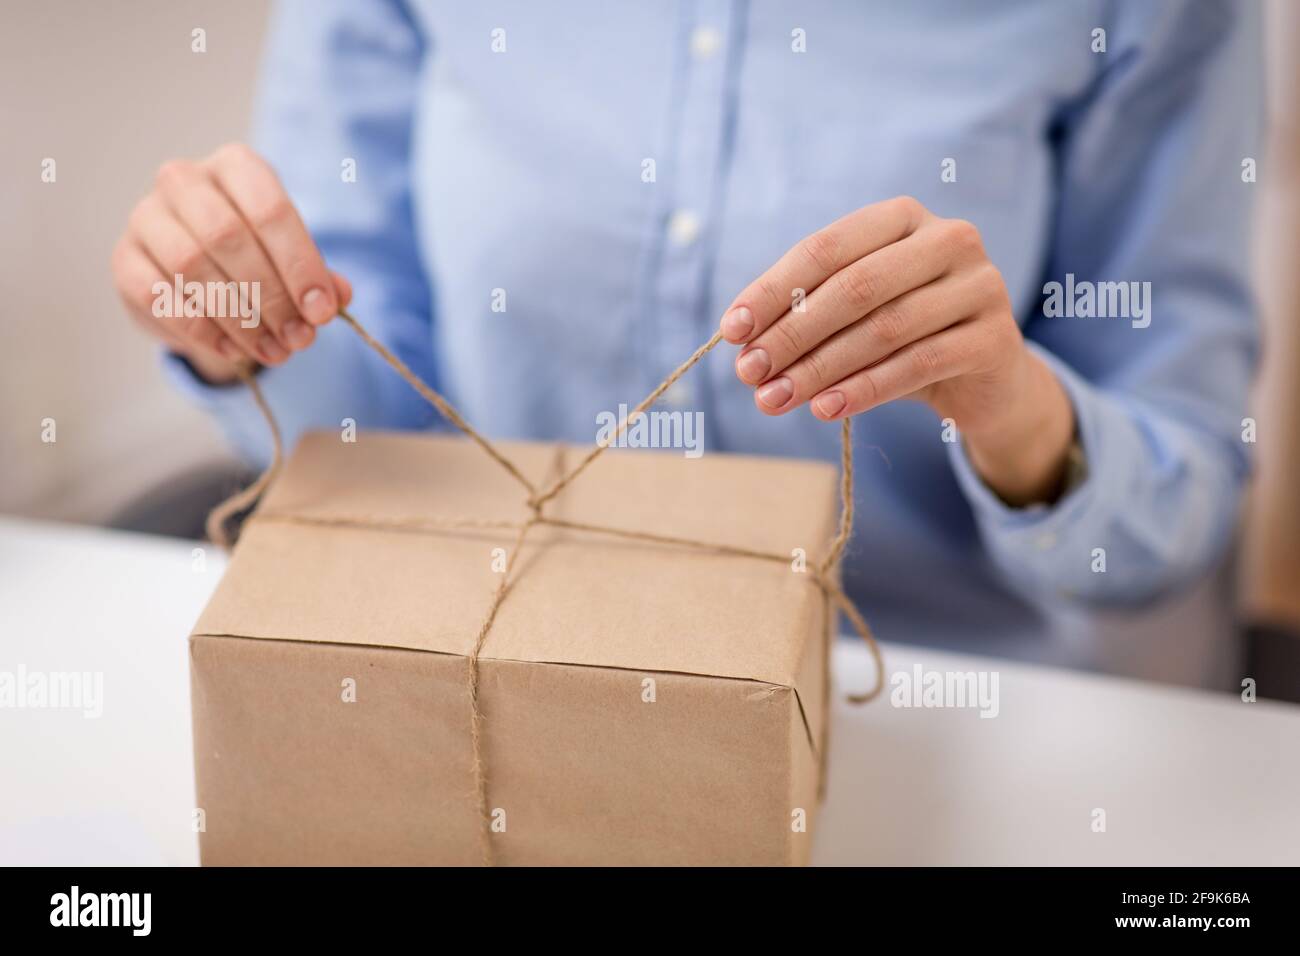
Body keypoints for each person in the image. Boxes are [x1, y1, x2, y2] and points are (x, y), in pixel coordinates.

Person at [110, 1, 1262, 686]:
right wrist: (238, 324)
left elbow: (1173, 508)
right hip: (481, 663)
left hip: (919, 702)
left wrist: (1010, 409)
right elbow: (367, 409)